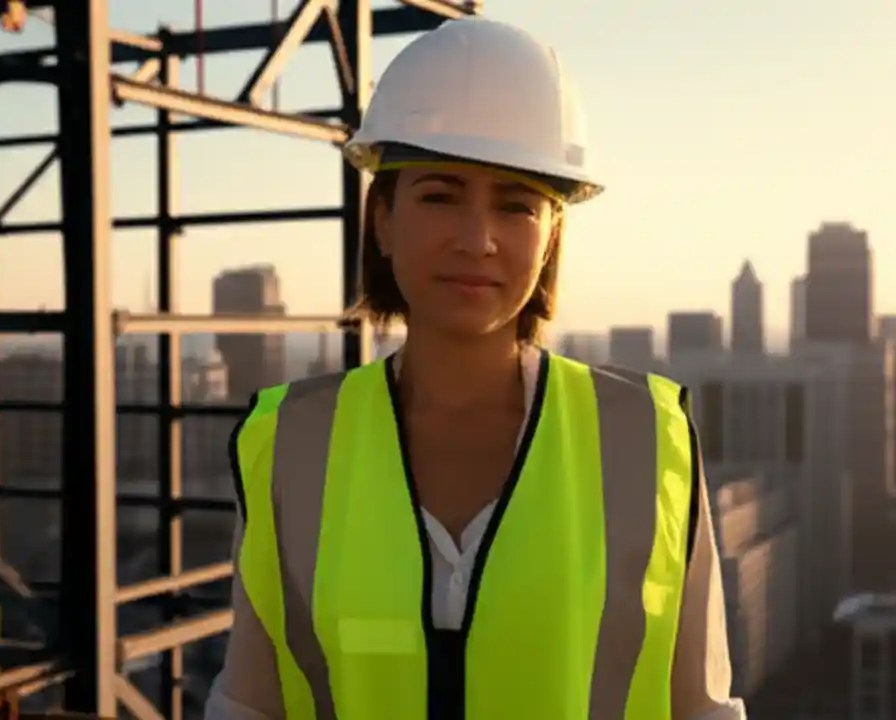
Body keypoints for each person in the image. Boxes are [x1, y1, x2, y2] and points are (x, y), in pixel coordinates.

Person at [204, 16, 746, 720]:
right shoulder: (290, 444)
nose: (476, 239)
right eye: (439, 194)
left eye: (516, 205)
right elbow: (249, 704)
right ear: (384, 220)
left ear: (552, 236)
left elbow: (701, 711)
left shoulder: (647, 440)